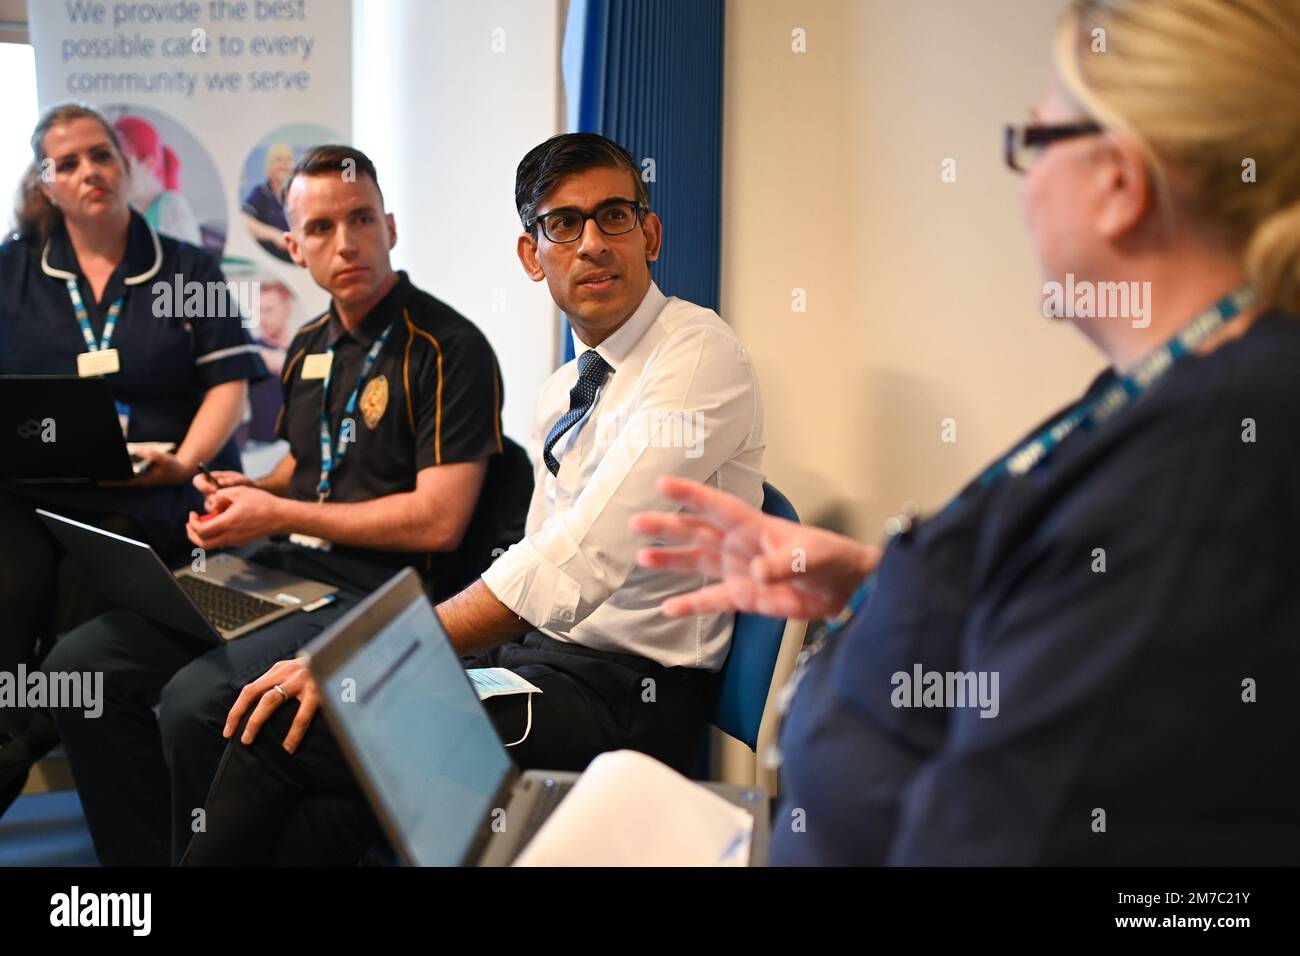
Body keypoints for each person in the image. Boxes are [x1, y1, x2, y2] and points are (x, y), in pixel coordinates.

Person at [632, 0, 1300, 865]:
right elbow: (1065, 605)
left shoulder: (1209, 473)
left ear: (1121, 183)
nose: (1020, 184)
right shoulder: (1166, 389)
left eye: (1032, 142)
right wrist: (875, 586)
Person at [180, 132, 766, 866]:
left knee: (289, 726)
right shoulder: (564, 390)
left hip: (628, 697)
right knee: (319, 802)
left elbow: (573, 565)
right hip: (538, 664)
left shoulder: (697, 355)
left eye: (614, 216)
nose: (590, 244)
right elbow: (536, 557)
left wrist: (366, 657)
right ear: (532, 256)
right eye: (562, 223)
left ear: (648, 233)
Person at [42, 144, 529, 866]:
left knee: (195, 702)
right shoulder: (308, 344)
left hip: (384, 597)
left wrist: (282, 514)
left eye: (361, 219)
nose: (347, 242)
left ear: (390, 227)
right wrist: (250, 492)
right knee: (81, 665)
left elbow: (439, 518)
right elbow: (309, 464)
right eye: (323, 229)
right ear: (295, 248)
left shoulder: (448, 347)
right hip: (285, 571)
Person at [0, 103, 265, 815]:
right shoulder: (12, 269)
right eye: (68, 163)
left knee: (84, 605)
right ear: (47, 183)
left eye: (101, 155)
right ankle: (16, 736)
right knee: (8, 589)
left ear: (124, 167)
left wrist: (182, 462)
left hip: (147, 493)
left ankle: (13, 751)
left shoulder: (188, 267)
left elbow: (227, 386)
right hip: (28, 491)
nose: (89, 171)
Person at [114, 115, 202, 247]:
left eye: (123, 164)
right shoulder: (124, 209)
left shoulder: (173, 208)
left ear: (148, 164)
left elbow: (191, 262)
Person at [241, 143, 294, 263]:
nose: (284, 164)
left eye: (288, 159)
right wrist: (275, 235)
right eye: (278, 159)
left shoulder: (299, 192)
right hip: (271, 260)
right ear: (269, 165)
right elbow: (245, 220)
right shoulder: (261, 193)